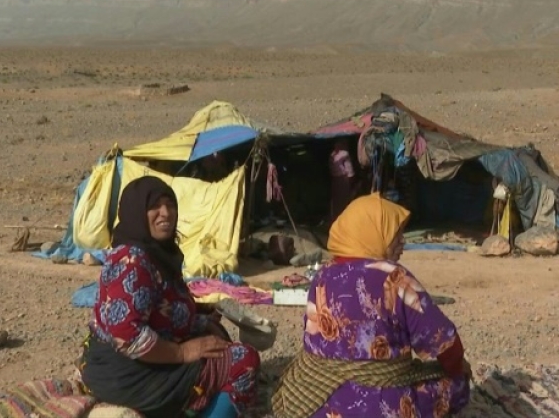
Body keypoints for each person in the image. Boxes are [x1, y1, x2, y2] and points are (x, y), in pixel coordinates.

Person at [273, 193, 471, 418]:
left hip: (319, 400)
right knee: (457, 383)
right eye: (395, 235)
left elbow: (311, 336)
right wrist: (457, 370)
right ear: (372, 235)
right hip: (380, 408)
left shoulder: (322, 275)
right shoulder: (395, 278)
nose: (403, 242)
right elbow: (445, 342)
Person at [79, 176, 260, 418]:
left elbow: (159, 309)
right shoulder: (133, 261)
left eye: (170, 204)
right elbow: (127, 335)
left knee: (215, 336)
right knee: (244, 361)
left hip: (124, 364)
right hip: (127, 372)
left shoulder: (156, 254)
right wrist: (183, 352)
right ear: (136, 212)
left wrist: (202, 318)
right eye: (154, 206)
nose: (165, 213)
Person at [329, 139, 357, 222]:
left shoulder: (334, 154)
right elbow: (349, 169)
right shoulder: (343, 154)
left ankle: (338, 218)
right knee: (342, 199)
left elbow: (348, 167)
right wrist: (351, 177)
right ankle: (342, 218)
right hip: (341, 179)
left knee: (339, 200)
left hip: (338, 179)